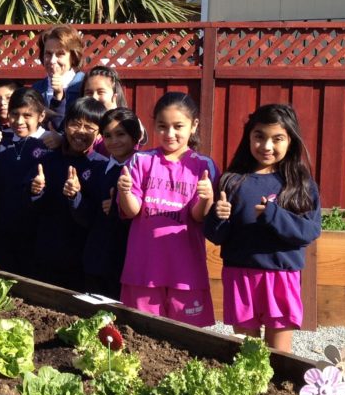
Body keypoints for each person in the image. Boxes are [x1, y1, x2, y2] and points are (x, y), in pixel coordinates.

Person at [205, 103, 321, 353]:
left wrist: (273, 214)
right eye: (259, 137)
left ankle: (276, 392)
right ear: (249, 136)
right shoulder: (232, 180)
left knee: (279, 356)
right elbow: (215, 235)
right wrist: (218, 217)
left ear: (291, 140)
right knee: (248, 354)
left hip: (282, 276)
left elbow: (308, 232)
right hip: (240, 275)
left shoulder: (300, 183)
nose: (267, 146)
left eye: (277, 138)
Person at [117, 92, 218, 326]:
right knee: (140, 336)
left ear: (194, 126)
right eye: (162, 126)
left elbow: (198, 216)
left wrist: (206, 198)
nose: (169, 134)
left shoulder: (204, 165)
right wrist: (124, 192)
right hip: (143, 269)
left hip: (186, 273)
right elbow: (132, 211)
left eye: (178, 126)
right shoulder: (140, 160)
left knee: (188, 342)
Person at [26, 97, 106, 291]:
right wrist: (36, 192)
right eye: (75, 124)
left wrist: (75, 196)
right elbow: (33, 211)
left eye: (89, 127)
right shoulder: (48, 160)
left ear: (99, 132)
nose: (80, 131)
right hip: (44, 253)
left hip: (80, 261)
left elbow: (90, 219)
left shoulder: (100, 166)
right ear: (66, 125)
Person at [0, 87, 49, 277]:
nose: (19, 121)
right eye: (14, 114)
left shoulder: (49, 143)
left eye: (27, 115)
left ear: (41, 116)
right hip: (2, 227)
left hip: (35, 231)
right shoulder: (2, 140)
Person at [76, 107, 142, 298]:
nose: (114, 141)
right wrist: (75, 196)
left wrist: (119, 207)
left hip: (129, 260)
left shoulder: (144, 170)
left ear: (135, 136)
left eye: (120, 134)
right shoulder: (97, 170)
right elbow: (87, 215)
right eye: (108, 135)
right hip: (98, 257)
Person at [30, 25, 86, 130]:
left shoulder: (85, 86)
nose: (52, 60)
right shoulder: (36, 90)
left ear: (73, 57)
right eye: (48, 54)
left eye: (60, 54)